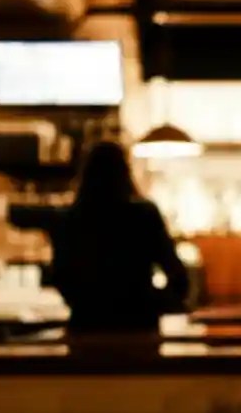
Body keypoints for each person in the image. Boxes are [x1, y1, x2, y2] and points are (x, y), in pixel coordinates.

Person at [47, 141, 189, 347]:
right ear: (125, 172)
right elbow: (179, 279)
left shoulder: (68, 219)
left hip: (85, 331)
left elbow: (60, 277)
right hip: (139, 331)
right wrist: (150, 302)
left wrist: (85, 303)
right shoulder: (145, 215)